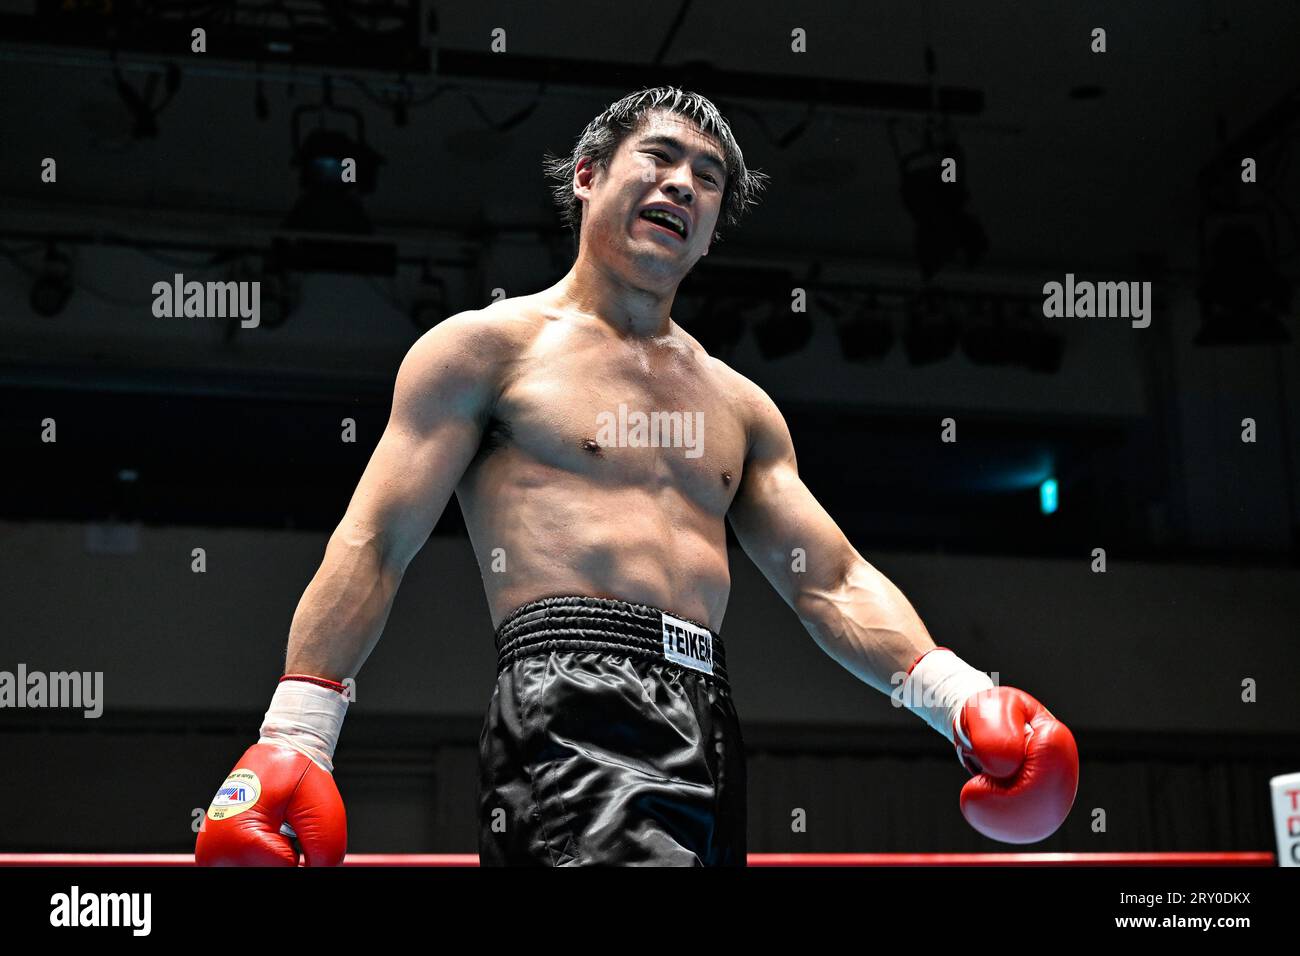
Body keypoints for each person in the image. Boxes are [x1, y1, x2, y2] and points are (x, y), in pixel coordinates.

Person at [196, 86, 1078, 867]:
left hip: (710, 715)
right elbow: (376, 542)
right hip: (574, 701)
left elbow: (832, 581)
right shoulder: (487, 350)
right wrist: (296, 735)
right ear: (585, 175)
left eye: (707, 178)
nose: (683, 184)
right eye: (658, 156)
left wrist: (962, 699)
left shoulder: (740, 407)